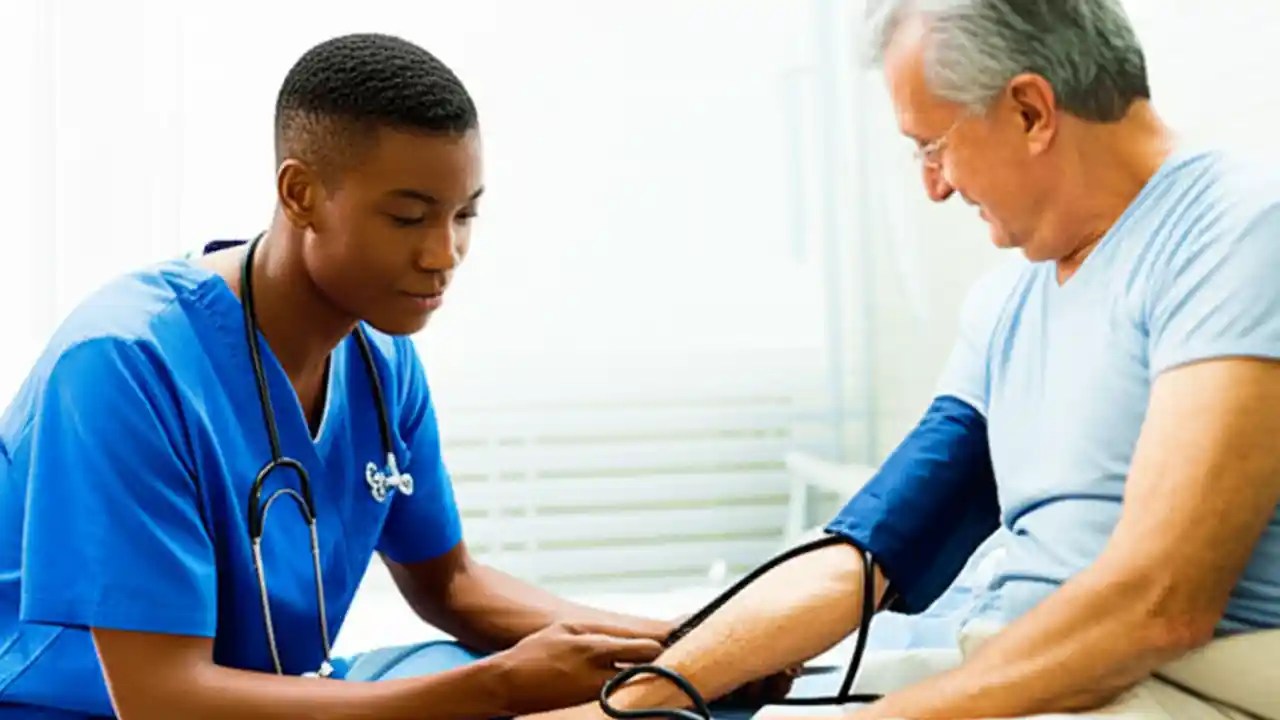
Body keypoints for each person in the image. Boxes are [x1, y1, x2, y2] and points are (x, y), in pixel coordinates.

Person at [0, 33, 792, 720]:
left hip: (273, 696)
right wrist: (495, 689)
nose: (444, 254)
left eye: (465, 215)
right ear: (301, 193)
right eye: (409, 218)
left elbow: (453, 586)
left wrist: (685, 646)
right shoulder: (123, 365)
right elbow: (164, 699)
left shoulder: (381, 362)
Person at [530, 1, 1280, 719]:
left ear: (1030, 111)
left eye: (932, 144)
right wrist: (635, 699)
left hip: (1184, 687)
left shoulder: (1239, 232)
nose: (934, 186)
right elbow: (874, 550)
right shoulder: (1009, 303)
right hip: (1023, 669)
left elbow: (1160, 606)